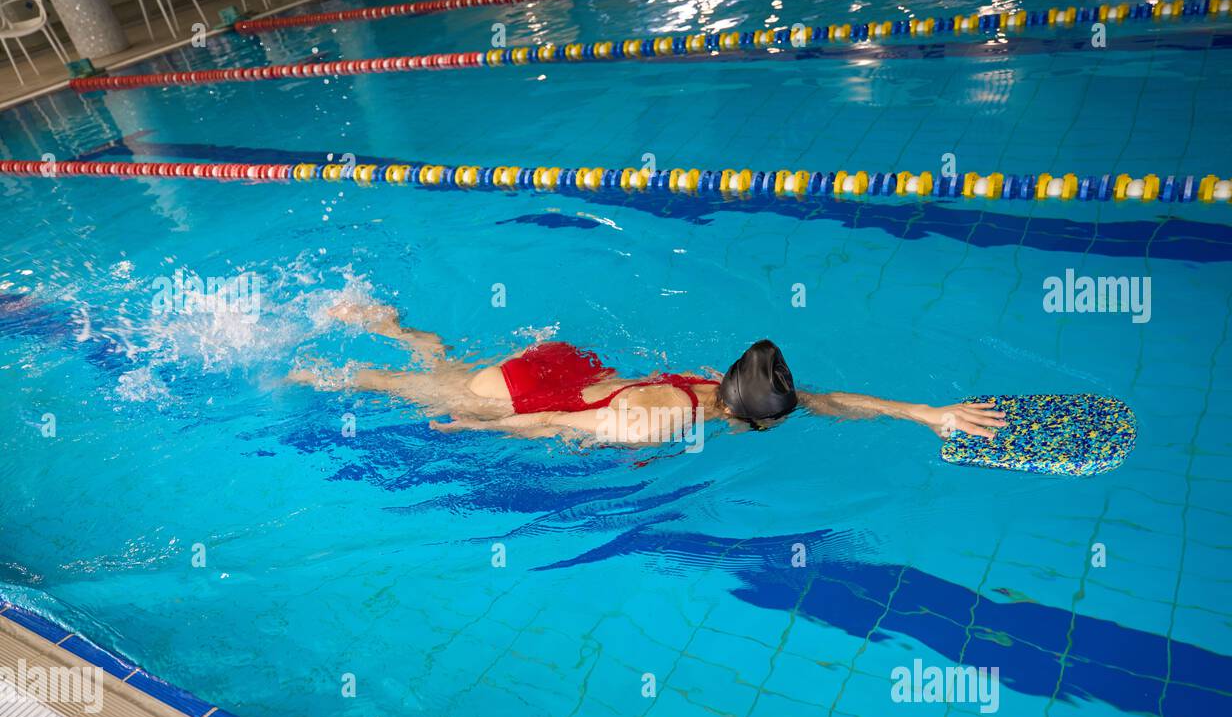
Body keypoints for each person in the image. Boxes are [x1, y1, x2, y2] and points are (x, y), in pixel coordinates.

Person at [288, 299, 1007, 445]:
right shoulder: (662, 423)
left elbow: (827, 400)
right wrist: (477, 431)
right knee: (406, 392)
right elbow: (558, 423)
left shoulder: (716, 390)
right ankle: (319, 374)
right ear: (746, 416)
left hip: (565, 366)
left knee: (442, 366)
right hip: (534, 393)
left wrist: (927, 414)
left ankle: (393, 326)